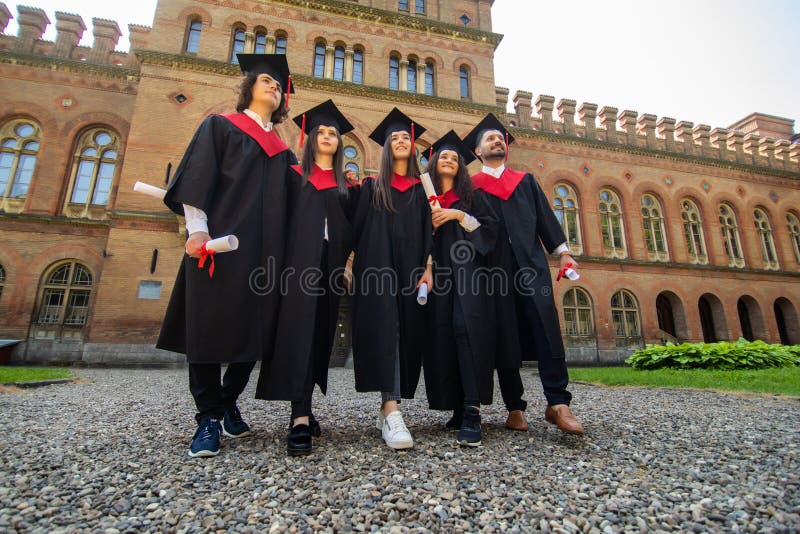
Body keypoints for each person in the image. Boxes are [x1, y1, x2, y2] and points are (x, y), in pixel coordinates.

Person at [157, 54, 297, 457]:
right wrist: (197, 229)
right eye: (266, 80)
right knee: (206, 329)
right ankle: (207, 419)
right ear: (249, 87)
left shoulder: (282, 152)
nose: (273, 87)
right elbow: (198, 175)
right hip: (219, 245)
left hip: (265, 256)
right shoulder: (220, 127)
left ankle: (225, 402)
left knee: (256, 333)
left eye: (278, 85)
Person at [464, 113, 585, 435]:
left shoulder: (525, 181)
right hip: (493, 271)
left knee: (546, 327)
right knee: (505, 334)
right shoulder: (473, 188)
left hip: (531, 267)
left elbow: (546, 218)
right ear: (477, 152)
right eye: (488, 139)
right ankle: (514, 406)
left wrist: (564, 253)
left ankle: (558, 402)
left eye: (499, 137)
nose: (496, 140)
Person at [255, 99, 358, 457]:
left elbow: (355, 229)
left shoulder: (347, 187)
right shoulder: (292, 177)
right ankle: (298, 415)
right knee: (298, 335)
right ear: (310, 139)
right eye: (322, 132)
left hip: (330, 269)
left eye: (333, 133)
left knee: (319, 337)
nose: (328, 136)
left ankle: (306, 405)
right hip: (296, 267)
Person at [351, 108, 433, 450]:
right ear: (385, 150)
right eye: (394, 138)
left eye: (405, 138)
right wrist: (348, 264)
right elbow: (353, 230)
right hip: (377, 269)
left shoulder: (423, 191)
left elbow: (433, 234)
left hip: (413, 271)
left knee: (407, 332)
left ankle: (391, 405)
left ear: (413, 148)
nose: (401, 141)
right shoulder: (372, 187)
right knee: (387, 330)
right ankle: (390, 408)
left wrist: (429, 269)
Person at [422, 130, 498, 446]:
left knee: (463, 329)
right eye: (444, 156)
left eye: (455, 158)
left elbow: (490, 230)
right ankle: (455, 405)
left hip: (468, 272)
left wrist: (456, 214)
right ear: (434, 164)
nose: (450, 160)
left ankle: (472, 410)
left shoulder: (471, 198)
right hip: (437, 272)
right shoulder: (424, 198)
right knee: (442, 334)